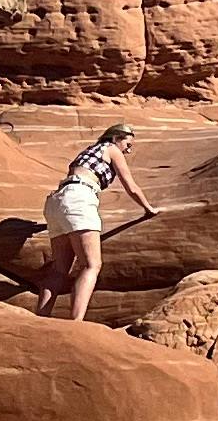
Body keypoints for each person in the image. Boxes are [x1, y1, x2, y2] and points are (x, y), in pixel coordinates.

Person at [38, 126, 151, 321]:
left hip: (56, 201)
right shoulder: (111, 149)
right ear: (116, 137)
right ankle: (76, 323)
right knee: (91, 265)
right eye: (128, 144)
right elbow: (130, 186)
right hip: (80, 196)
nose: (128, 150)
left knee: (59, 269)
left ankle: (40, 316)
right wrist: (149, 209)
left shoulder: (87, 152)